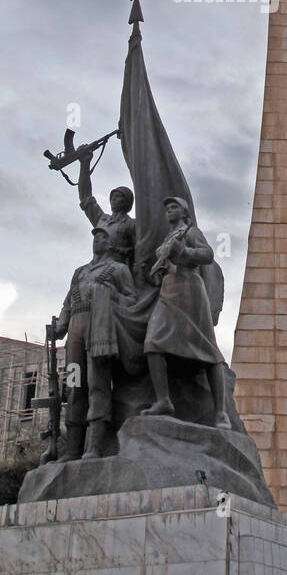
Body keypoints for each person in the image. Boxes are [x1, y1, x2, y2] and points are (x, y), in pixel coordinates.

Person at [142, 196, 230, 429]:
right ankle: (163, 400)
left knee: (209, 350)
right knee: (152, 343)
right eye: (167, 208)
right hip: (168, 289)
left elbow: (207, 255)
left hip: (190, 290)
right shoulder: (167, 237)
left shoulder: (190, 232)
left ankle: (221, 413)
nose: (169, 211)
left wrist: (183, 251)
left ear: (183, 212)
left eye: (173, 208)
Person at [53, 225, 136, 459]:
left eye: (102, 237)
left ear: (111, 244)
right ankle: (72, 449)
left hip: (99, 330)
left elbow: (131, 300)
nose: (97, 240)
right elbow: (67, 303)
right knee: (74, 385)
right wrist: (60, 325)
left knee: (97, 384)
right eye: (96, 237)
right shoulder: (79, 272)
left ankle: (95, 446)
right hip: (74, 334)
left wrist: (111, 294)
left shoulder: (118, 270)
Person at [76, 144, 136, 279]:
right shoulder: (101, 219)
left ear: (127, 202)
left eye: (119, 197)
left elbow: (139, 252)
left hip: (117, 271)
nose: (114, 199)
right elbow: (86, 197)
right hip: (97, 265)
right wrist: (84, 164)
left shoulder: (132, 224)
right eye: (113, 197)